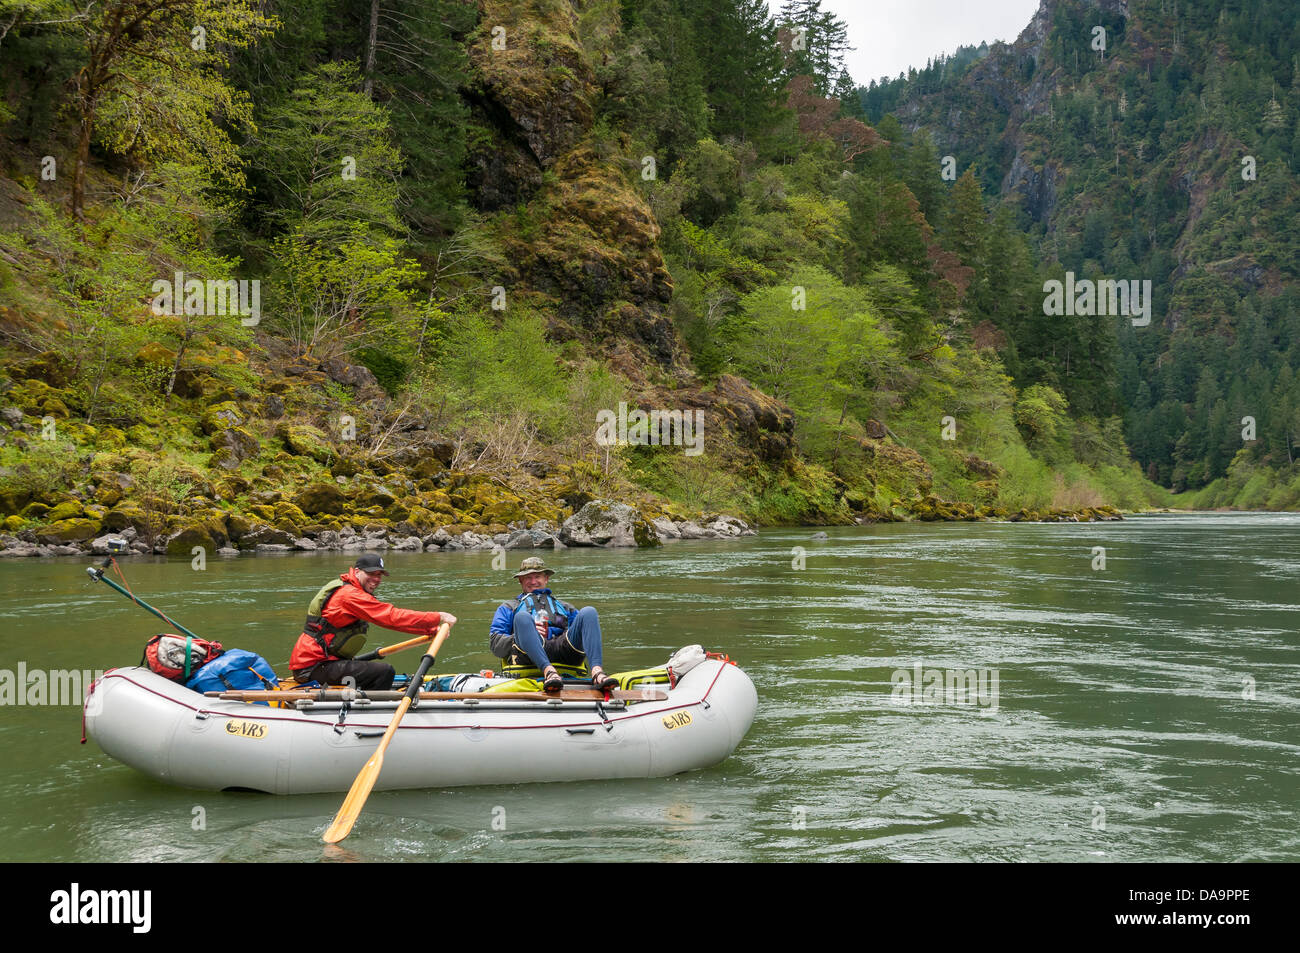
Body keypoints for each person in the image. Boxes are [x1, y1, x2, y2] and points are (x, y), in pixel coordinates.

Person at [290, 553, 457, 690]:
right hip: (313, 668)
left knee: (374, 671)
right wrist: (438, 617)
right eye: (371, 573)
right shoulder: (349, 596)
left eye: (379, 575)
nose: (376, 579)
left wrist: (430, 630)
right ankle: (371, 711)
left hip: (325, 663)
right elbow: (391, 617)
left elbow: (388, 620)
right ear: (356, 571)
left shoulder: (352, 591)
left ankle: (362, 700)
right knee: (384, 672)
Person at [488, 556, 615, 693]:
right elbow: (496, 646)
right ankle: (549, 672)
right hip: (529, 656)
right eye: (528, 577)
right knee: (522, 617)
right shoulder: (508, 608)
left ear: (546, 578)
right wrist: (524, 636)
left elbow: (585, 634)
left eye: (537, 577)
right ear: (520, 580)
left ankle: (597, 672)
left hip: (564, 650)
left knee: (589, 612)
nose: (533, 582)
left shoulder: (565, 608)